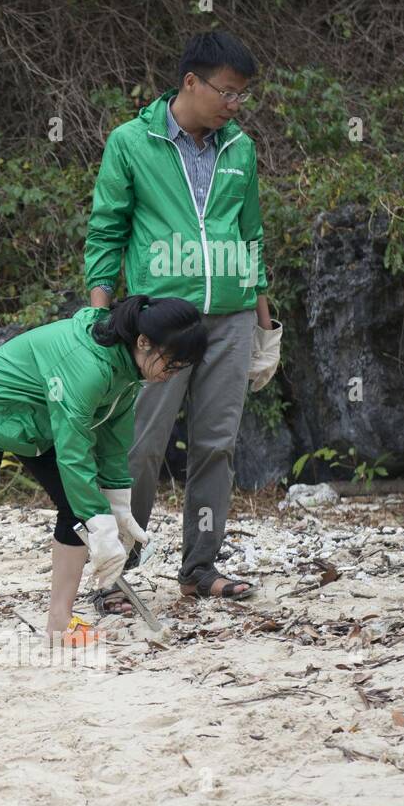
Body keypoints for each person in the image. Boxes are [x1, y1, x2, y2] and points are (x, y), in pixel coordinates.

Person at [0, 297, 207, 678]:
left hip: (40, 422)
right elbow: (73, 451)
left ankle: (59, 621)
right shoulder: (86, 365)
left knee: (74, 511)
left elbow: (115, 440)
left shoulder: (129, 368)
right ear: (145, 341)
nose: (171, 373)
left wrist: (118, 506)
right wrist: (96, 521)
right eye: (172, 363)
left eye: (181, 368)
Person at [85, 31, 282, 605]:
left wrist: (265, 328)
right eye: (226, 91)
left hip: (232, 317)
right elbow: (106, 231)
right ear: (190, 82)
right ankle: (118, 570)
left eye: (242, 95)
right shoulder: (131, 142)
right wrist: (101, 323)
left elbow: (251, 239)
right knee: (139, 446)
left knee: (215, 445)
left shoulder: (238, 148)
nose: (234, 104)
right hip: (161, 322)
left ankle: (200, 567)